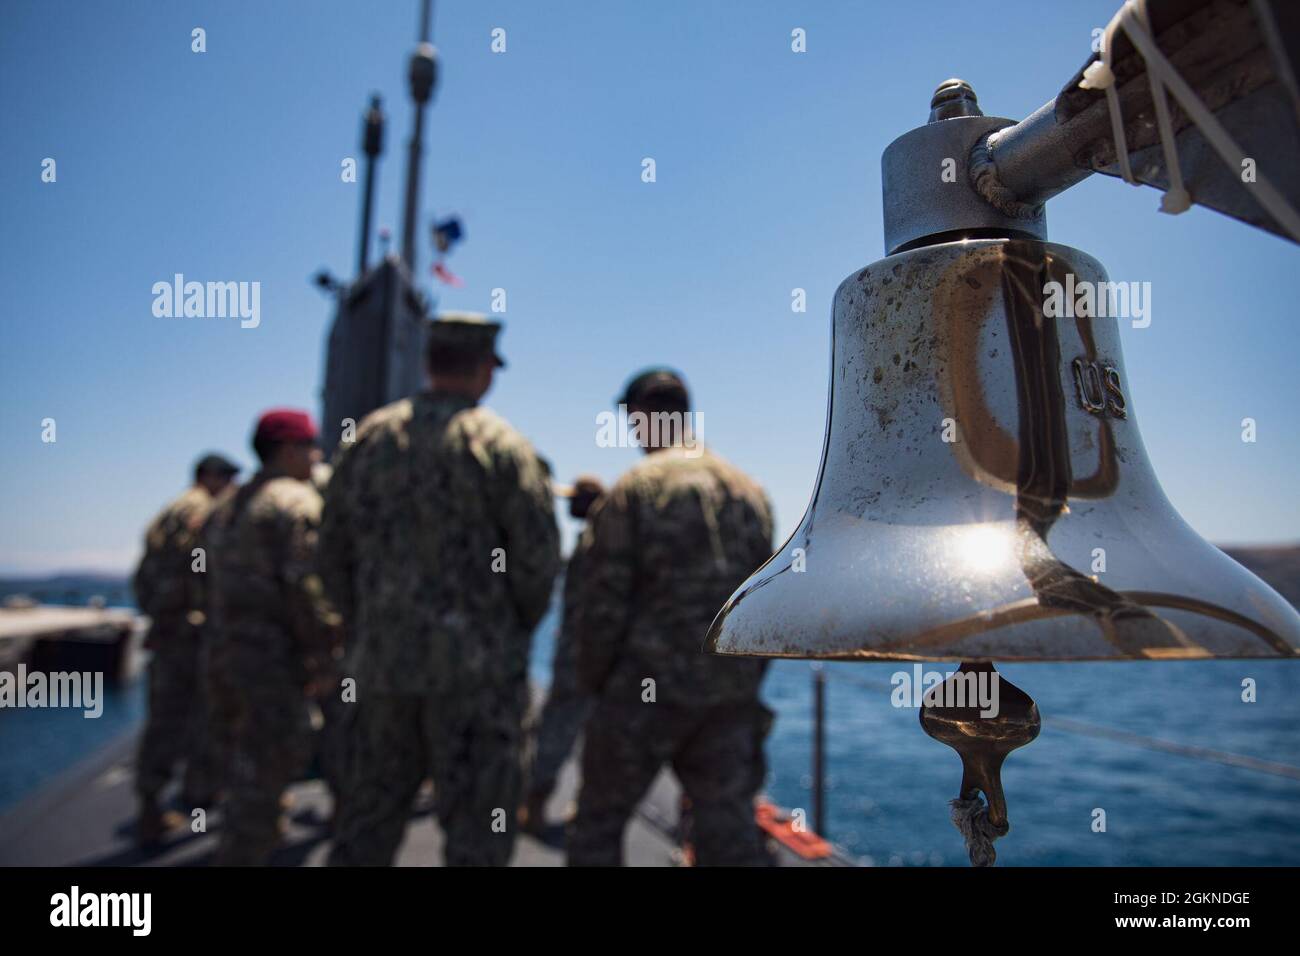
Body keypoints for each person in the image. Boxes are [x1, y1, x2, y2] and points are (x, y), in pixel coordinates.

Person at [321, 314, 560, 866]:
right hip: (479, 677)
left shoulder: (368, 441)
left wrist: (366, 625)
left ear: (429, 363)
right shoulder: (504, 448)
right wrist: (507, 632)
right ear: (484, 370)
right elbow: (537, 563)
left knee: (365, 824)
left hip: (379, 671)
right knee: (478, 834)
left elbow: (330, 553)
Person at [567, 368, 776, 866]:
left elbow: (600, 607)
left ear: (641, 413)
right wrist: (744, 683)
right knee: (728, 836)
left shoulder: (635, 489)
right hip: (728, 698)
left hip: (641, 695)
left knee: (597, 824)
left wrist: (593, 683)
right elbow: (764, 605)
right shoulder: (750, 493)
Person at [203, 409, 339, 865]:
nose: (317, 457)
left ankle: (252, 832)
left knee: (244, 759)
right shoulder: (295, 502)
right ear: (287, 450)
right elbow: (308, 590)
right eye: (311, 447)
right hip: (271, 663)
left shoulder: (227, 506)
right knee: (273, 759)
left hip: (224, 654)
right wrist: (324, 655)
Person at [132, 452, 240, 846]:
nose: (230, 485)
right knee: (200, 715)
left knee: (166, 717)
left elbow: (145, 577)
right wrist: (204, 612)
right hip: (193, 633)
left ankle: (155, 802)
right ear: (209, 476)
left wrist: (160, 617)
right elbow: (199, 570)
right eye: (227, 477)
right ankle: (193, 795)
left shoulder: (167, 513)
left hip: (170, 630)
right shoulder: (201, 512)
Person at [519, 475, 604, 835]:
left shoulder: (594, 541)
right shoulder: (604, 537)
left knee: (555, 732)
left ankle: (534, 805)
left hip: (578, 659)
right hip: (592, 656)